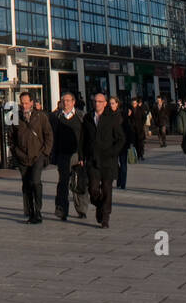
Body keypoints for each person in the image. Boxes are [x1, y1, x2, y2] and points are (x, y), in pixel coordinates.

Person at [8, 91, 53, 224]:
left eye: (27, 103)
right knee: (26, 184)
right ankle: (30, 212)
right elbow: (11, 137)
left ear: (32, 103)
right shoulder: (15, 117)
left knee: (35, 181)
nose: (24, 105)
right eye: (22, 103)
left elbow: (48, 134)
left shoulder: (41, 116)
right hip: (22, 156)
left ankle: (38, 211)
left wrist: (45, 152)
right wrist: (15, 151)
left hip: (38, 155)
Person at [82, 93, 124, 228]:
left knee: (107, 189)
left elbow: (121, 138)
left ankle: (105, 217)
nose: (97, 104)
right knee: (93, 189)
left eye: (100, 101)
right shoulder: (88, 117)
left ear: (105, 103)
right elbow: (83, 139)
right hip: (92, 160)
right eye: (95, 101)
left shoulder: (111, 118)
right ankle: (100, 205)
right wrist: (82, 156)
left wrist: (113, 152)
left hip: (108, 160)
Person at [51, 92, 87, 220]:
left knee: (78, 182)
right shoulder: (56, 117)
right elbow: (52, 137)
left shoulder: (81, 116)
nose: (65, 103)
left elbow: (85, 138)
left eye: (68, 100)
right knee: (63, 182)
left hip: (77, 154)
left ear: (73, 102)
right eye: (63, 101)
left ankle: (81, 209)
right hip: (62, 155)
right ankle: (62, 210)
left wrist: (83, 156)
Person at [110, 96, 130, 190]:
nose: (111, 105)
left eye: (113, 103)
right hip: (112, 143)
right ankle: (118, 179)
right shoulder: (107, 114)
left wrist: (130, 142)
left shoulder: (122, 115)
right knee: (114, 163)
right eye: (110, 103)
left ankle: (123, 183)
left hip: (122, 143)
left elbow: (128, 129)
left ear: (117, 104)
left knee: (123, 164)